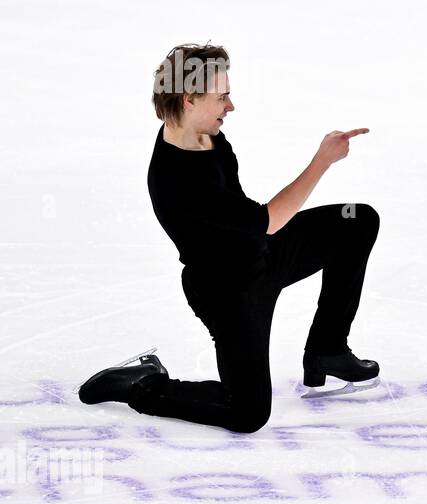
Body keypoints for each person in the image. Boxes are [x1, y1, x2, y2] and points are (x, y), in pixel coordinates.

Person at [77, 43, 380, 433]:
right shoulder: (180, 179)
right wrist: (321, 161)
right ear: (189, 99)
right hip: (230, 291)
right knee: (247, 412)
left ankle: (327, 349)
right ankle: (142, 384)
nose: (230, 106)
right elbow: (267, 220)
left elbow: (259, 229)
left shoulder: (197, 133)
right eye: (222, 97)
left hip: (261, 254)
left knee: (356, 221)